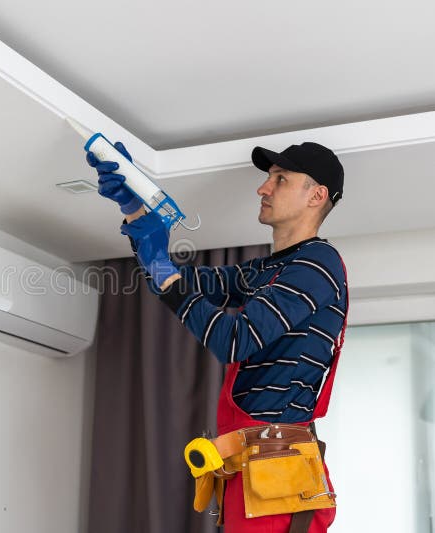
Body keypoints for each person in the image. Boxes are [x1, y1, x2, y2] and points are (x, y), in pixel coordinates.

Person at [86, 141, 348, 533]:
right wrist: (134, 208)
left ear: (317, 196)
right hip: (257, 471)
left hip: (278, 478)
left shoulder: (317, 265)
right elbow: (175, 282)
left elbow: (233, 339)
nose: (263, 188)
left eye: (280, 179)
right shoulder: (269, 270)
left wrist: (167, 276)